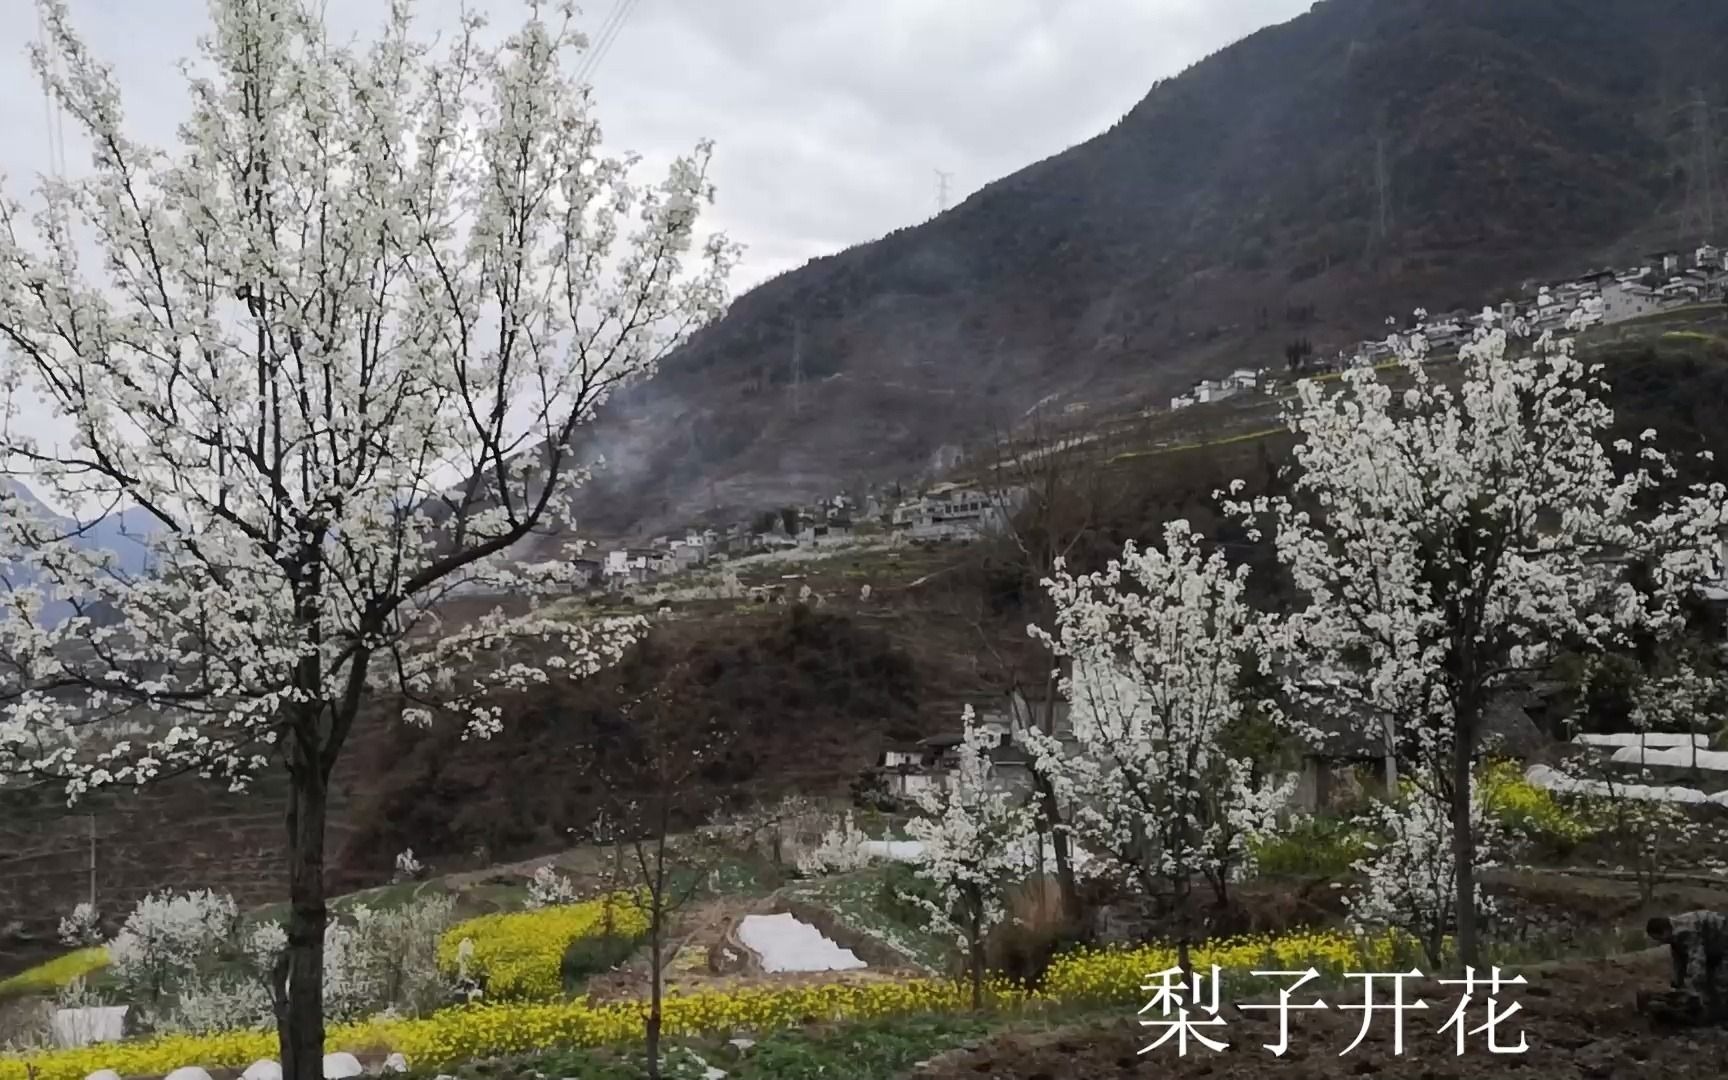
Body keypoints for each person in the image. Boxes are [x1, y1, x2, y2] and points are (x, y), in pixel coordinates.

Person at [1647, 912, 1728, 1022]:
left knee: (1720, 980)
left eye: (1660, 938)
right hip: (1710, 943)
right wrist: (1678, 984)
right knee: (1707, 982)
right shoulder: (1673, 936)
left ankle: (1722, 1015)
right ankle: (1713, 1009)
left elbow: (1697, 960)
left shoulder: (1686, 931)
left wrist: (1691, 988)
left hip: (1722, 936)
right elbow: (1679, 960)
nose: (1661, 942)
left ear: (1665, 930)